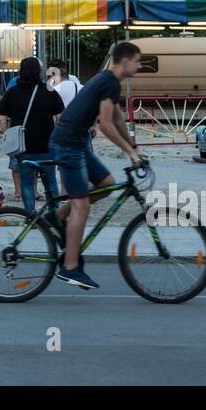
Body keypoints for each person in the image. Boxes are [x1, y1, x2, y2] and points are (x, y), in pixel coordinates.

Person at [47, 42, 146, 291]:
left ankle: (57, 216)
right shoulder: (109, 81)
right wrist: (129, 153)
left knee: (107, 186)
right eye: (138, 61)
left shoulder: (109, 82)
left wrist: (133, 146)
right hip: (68, 144)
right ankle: (70, 268)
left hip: (76, 142)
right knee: (81, 206)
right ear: (125, 62)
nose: (140, 65)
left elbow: (117, 117)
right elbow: (105, 125)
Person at [0, 57, 64, 211]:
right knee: (50, 181)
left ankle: (30, 215)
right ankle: (54, 213)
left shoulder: (12, 92)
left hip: (23, 145)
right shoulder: (49, 91)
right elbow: (61, 116)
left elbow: (2, 117)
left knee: (26, 182)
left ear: (21, 72)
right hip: (47, 144)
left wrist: (7, 133)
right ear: (39, 72)